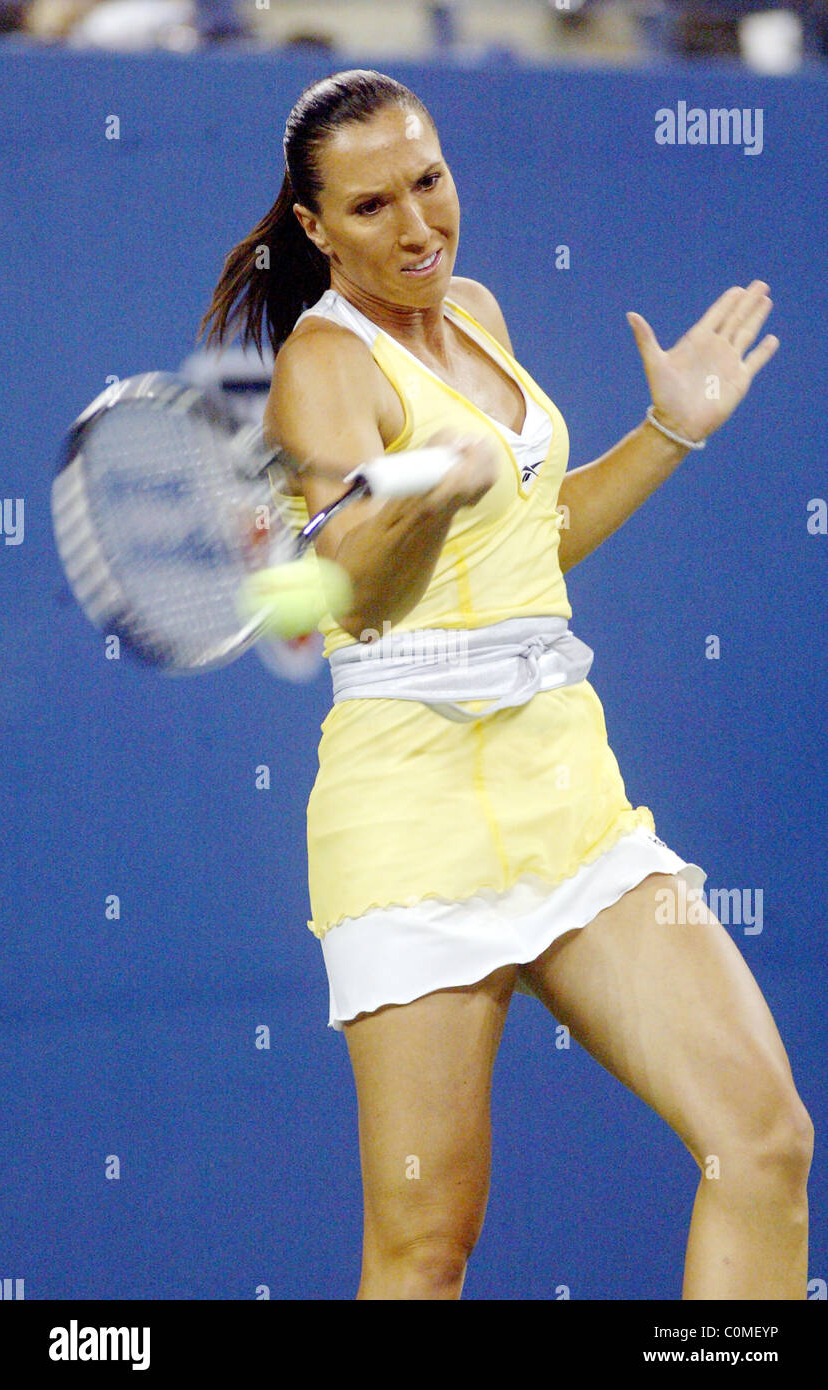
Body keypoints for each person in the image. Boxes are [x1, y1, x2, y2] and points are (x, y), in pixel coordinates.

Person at [198, 69, 812, 1301]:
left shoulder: (473, 308)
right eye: (370, 206)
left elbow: (532, 537)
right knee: (424, 1254)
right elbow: (345, 600)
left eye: (429, 180)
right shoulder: (325, 366)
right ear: (313, 229)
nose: (418, 225)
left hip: (568, 792)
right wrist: (425, 484)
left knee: (762, 1140)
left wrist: (670, 429)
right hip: (413, 820)